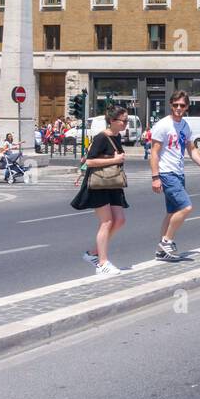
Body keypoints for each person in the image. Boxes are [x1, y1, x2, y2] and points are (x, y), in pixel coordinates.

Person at [149, 90, 200, 261]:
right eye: (175, 104)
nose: (178, 108)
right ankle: (167, 241)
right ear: (171, 105)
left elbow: (191, 149)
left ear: (186, 107)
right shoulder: (163, 125)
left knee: (172, 212)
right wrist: (155, 177)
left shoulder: (185, 126)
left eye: (182, 105)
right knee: (186, 207)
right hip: (166, 172)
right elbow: (154, 153)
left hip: (178, 173)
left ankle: (161, 251)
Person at [73, 106, 129, 277]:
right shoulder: (101, 138)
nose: (126, 124)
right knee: (107, 222)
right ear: (112, 121)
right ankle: (102, 263)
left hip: (113, 183)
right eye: (124, 121)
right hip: (99, 183)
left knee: (119, 220)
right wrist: (114, 159)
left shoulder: (117, 136)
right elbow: (89, 161)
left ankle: (93, 253)